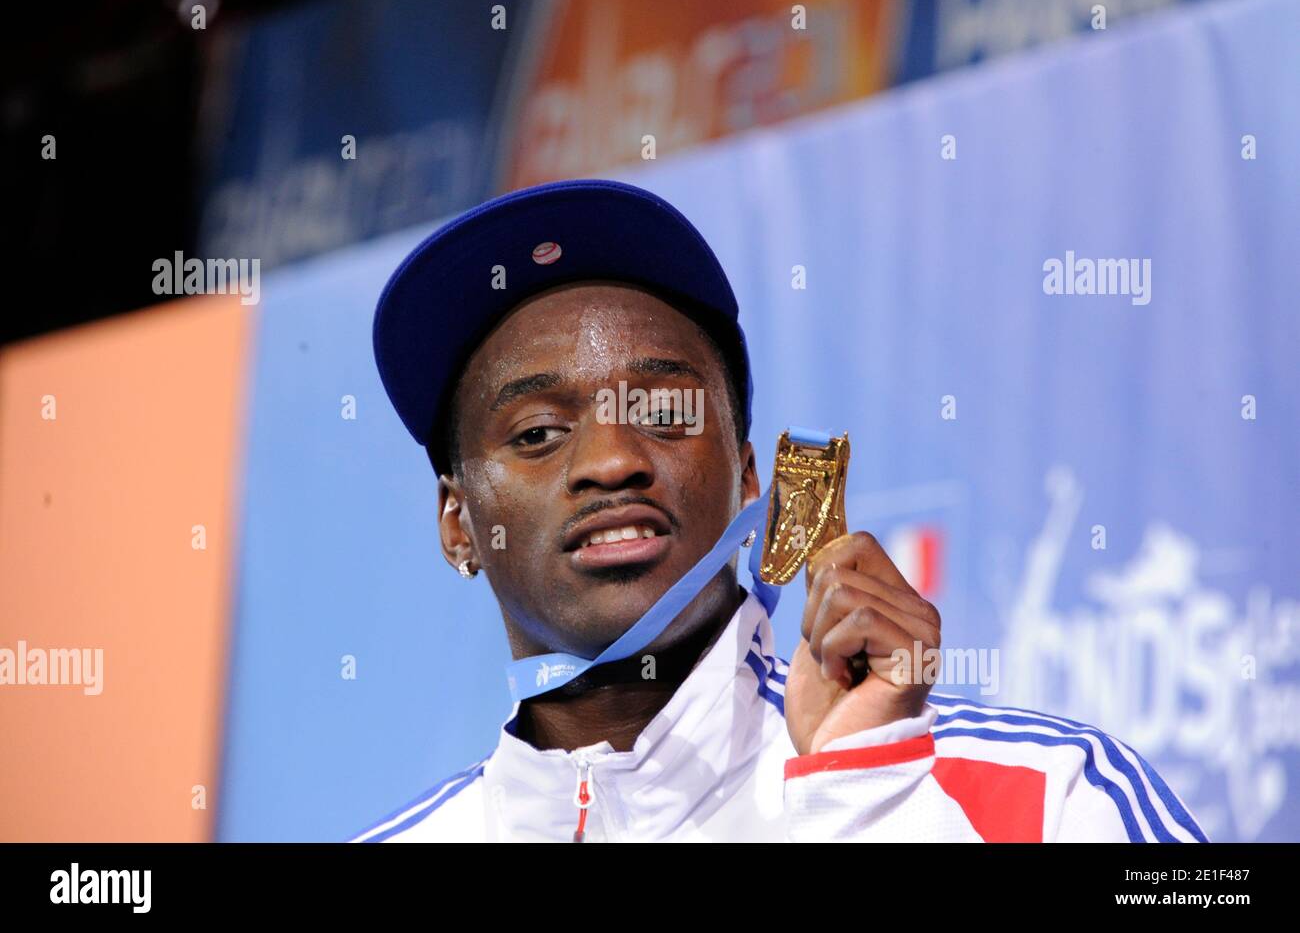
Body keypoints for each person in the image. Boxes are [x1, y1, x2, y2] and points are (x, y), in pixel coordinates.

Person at [352, 179, 1206, 842]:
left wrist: (872, 803)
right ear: (458, 523)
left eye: (666, 413)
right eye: (539, 431)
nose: (612, 460)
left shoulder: (1048, 793)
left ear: (749, 478)